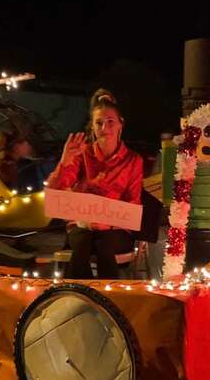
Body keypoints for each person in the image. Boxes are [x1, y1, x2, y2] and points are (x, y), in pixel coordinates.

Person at [46, 89, 143, 279]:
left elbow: (133, 203)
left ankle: (106, 298)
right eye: (99, 123)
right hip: (82, 226)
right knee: (82, 243)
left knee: (103, 244)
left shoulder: (133, 160)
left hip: (116, 229)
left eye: (110, 122)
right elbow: (55, 191)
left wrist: (106, 222)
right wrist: (65, 161)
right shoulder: (82, 154)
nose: (104, 127)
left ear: (120, 125)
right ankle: (81, 295)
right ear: (92, 127)